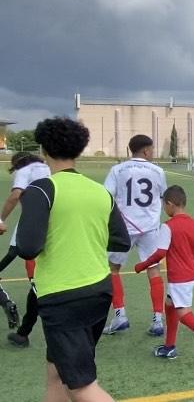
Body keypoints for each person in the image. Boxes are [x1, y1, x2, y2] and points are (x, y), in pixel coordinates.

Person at [17, 116, 130, 402]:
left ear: (44, 151)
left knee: (81, 387)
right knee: (55, 373)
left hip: (62, 296)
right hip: (99, 291)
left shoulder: (41, 189)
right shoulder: (100, 191)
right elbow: (122, 241)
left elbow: (28, 247)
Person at [132, 186, 194, 368]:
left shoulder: (167, 227)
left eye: (164, 205)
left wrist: (141, 265)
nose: (164, 209)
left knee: (184, 314)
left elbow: (159, 253)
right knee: (169, 305)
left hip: (179, 277)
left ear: (170, 204)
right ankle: (169, 346)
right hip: (192, 274)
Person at [102, 135, 168, 336]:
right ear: (146, 151)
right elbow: (164, 197)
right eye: (152, 149)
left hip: (123, 227)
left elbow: (106, 196)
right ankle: (157, 319)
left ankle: (120, 315)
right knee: (154, 270)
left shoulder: (117, 170)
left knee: (112, 269)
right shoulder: (158, 171)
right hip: (149, 228)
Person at [1, 152, 51, 347]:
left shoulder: (24, 170)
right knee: (40, 282)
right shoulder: (49, 168)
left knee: (37, 283)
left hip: (34, 221)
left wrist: (1, 219)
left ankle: (23, 333)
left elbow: (15, 196)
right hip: (59, 223)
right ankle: (23, 333)